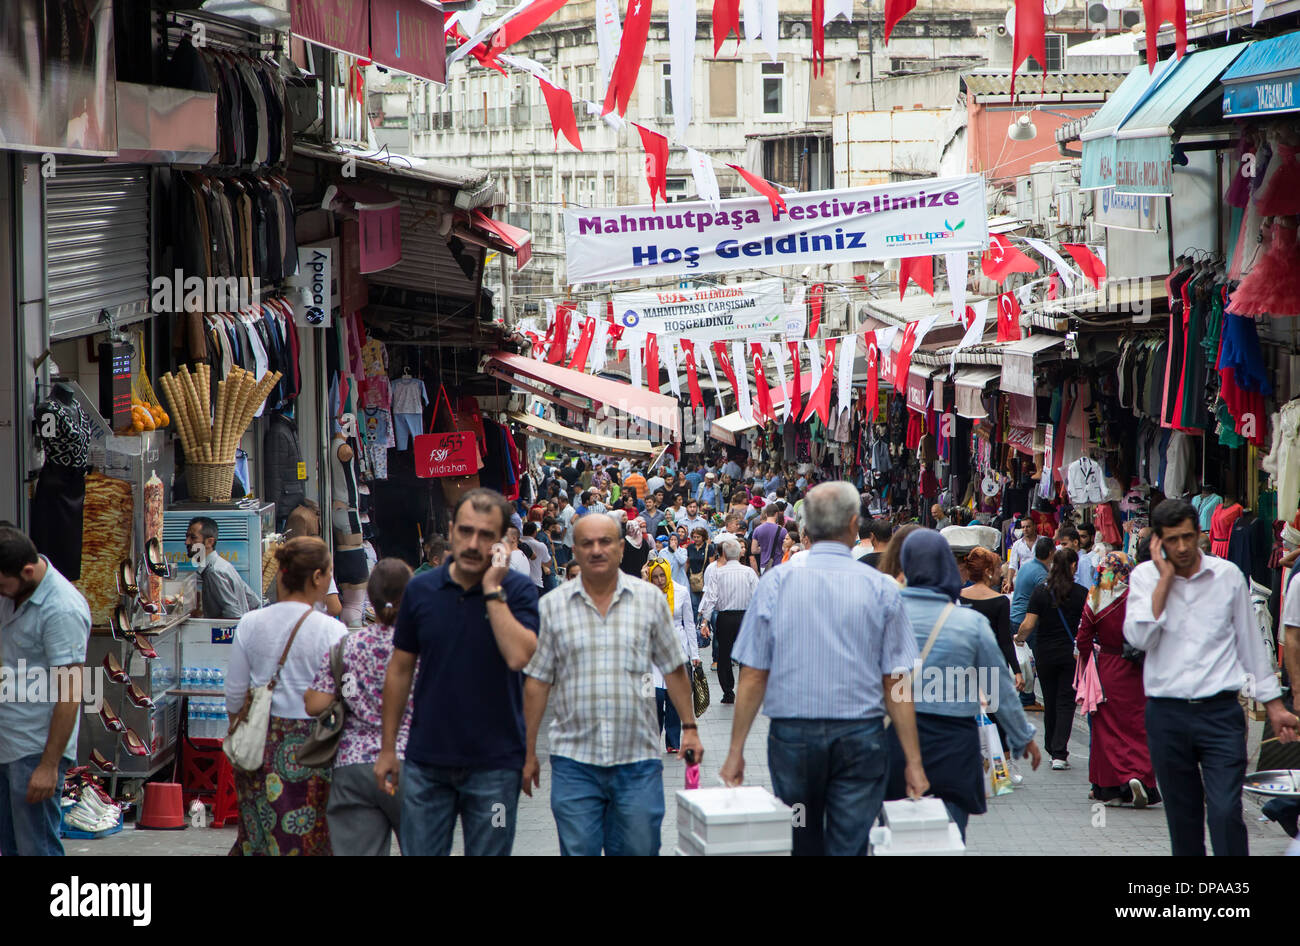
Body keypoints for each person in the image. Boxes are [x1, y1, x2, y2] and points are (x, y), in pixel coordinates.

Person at [720, 482, 928, 856]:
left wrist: (736, 749)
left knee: (801, 836)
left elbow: (753, 673)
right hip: (860, 740)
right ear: (854, 525)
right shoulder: (882, 589)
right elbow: (896, 680)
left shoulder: (776, 583)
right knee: (850, 841)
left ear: (807, 528)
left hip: (793, 740)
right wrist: (913, 761)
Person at [1124, 499, 1299, 856]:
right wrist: (1166, 578)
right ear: (1158, 541)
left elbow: (1251, 644)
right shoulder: (1144, 578)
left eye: (1189, 537)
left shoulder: (1227, 576)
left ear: (1200, 534)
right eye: (1173, 540)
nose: (1183, 547)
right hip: (1167, 715)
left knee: (1224, 811)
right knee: (1183, 818)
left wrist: (1275, 705)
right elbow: (1140, 638)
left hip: (1220, 714)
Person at [522, 514, 703, 856]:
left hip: (636, 759)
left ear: (621, 549)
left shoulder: (648, 600)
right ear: (574, 550)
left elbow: (674, 669)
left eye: (605, 542)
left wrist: (690, 727)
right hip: (574, 761)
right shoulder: (552, 607)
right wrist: (529, 749)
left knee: (639, 849)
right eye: (587, 543)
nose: (596, 550)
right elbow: (537, 682)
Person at [377, 488, 540, 856]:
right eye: (465, 531)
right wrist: (388, 748)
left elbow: (518, 656)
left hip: (496, 766)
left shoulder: (518, 592)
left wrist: (492, 590)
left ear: (501, 544)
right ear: (450, 531)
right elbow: (400, 670)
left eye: (485, 535)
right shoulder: (420, 590)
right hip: (426, 763)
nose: (472, 542)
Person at [891, 530, 1040, 839]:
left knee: (893, 830)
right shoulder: (968, 623)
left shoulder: (883, 612)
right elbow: (998, 684)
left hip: (892, 740)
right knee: (949, 832)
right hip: (953, 743)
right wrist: (1021, 736)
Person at [225, 537, 347, 855]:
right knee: (309, 837)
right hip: (317, 745)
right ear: (318, 577)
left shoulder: (250, 624)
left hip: (260, 742)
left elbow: (234, 695)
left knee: (258, 834)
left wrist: (240, 730)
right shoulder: (332, 631)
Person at [304, 559, 414, 855]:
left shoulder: (347, 646)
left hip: (354, 765)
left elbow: (315, 704)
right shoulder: (423, 646)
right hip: (412, 763)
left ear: (371, 601)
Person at [0, 527, 91, 856]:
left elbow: (70, 695)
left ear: (26, 571)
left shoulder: (62, 609)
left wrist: (49, 765)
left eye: (1, 584)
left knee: (36, 848)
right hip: (8, 743)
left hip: (35, 750)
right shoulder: (13, 593)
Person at [1075, 548, 1160, 809]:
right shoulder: (1139, 596)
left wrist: (1091, 664)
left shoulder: (1096, 597)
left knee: (1107, 730)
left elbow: (1083, 639)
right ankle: (1139, 778)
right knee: (1138, 727)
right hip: (1138, 670)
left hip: (1108, 670)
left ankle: (1112, 788)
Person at [1015, 548, 1086, 769]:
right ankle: (1059, 753)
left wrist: (1019, 638)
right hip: (1071, 654)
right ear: (1074, 566)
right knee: (1066, 703)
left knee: (1050, 700)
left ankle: (1050, 746)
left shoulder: (1040, 591)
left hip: (1045, 653)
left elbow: (1028, 624)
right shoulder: (1082, 593)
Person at [698, 538, 758, 704]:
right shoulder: (748, 572)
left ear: (723, 553)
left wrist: (705, 621)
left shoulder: (718, 573)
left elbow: (710, 598)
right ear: (739, 553)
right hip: (744, 617)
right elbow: (757, 597)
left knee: (724, 655)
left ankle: (728, 691)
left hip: (724, 618)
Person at [647, 560, 699, 752]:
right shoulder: (646, 594)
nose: (660, 580)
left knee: (674, 697)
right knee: (654, 697)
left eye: (663, 575)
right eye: (655, 576)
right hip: (651, 652)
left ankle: (673, 741)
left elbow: (689, 623)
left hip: (677, 649)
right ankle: (653, 736)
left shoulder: (681, 591)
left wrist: (695, 654)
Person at [959, 547, 1020, 688]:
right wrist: (1017, 671)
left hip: (965, 661)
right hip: (993, 664)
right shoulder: (1000, 601)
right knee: (991, 708)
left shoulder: (958, 596)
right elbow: (1005, 640)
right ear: (988, 572)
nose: (1001, 571)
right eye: (998, 567)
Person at [186, 516, 261, 618]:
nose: (187, 542)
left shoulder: (213, 572)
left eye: (193, 538)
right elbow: (253, 601)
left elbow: (233, 615)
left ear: (210, 542)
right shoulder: (223, 565)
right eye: (187, 537)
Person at [1010, 536, 1053, 711]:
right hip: (1028, 620)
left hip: (1016, 616)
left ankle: (1026, 697)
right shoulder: (1041, 574)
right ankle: (1028, 699)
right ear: (1051, 553)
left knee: (1026, 660)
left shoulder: (1027, 566)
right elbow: (1046, 600)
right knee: (1036, 660)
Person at [749, 504, 788, 575]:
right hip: (778, 565)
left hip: (764, 566)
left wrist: (764, 547)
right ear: (776, 514)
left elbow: (754, 550)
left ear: (766, 514)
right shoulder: (783, 531)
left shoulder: (757, 530)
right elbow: (785, 548)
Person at [685, 526, 713, 623]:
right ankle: (694, 623)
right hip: (692, 578)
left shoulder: (708, 548)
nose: (696, 539)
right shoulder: (690, 548)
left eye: (698, 537)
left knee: (704, 604)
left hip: (705, 579)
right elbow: (687, 562)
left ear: (703, 537)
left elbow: (711, 564)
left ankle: (703, 624)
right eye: (694, 537)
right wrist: (684, 575)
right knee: (694, 603)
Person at [1005, 516, 1038, 592]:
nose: (1025, 529)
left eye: (1028, 526)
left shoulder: (1043, 541)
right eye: (1023, 527)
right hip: (1023, 579)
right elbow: (1012, 565)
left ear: (1034, 526)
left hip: (1039, 578)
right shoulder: (1017, 544)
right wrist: (1009, 582)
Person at [521, 521, 552, 592]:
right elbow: (548, 563)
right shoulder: (540, 546)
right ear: (535, 532)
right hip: (535, 582)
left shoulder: (516, 544)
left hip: (520, 582)